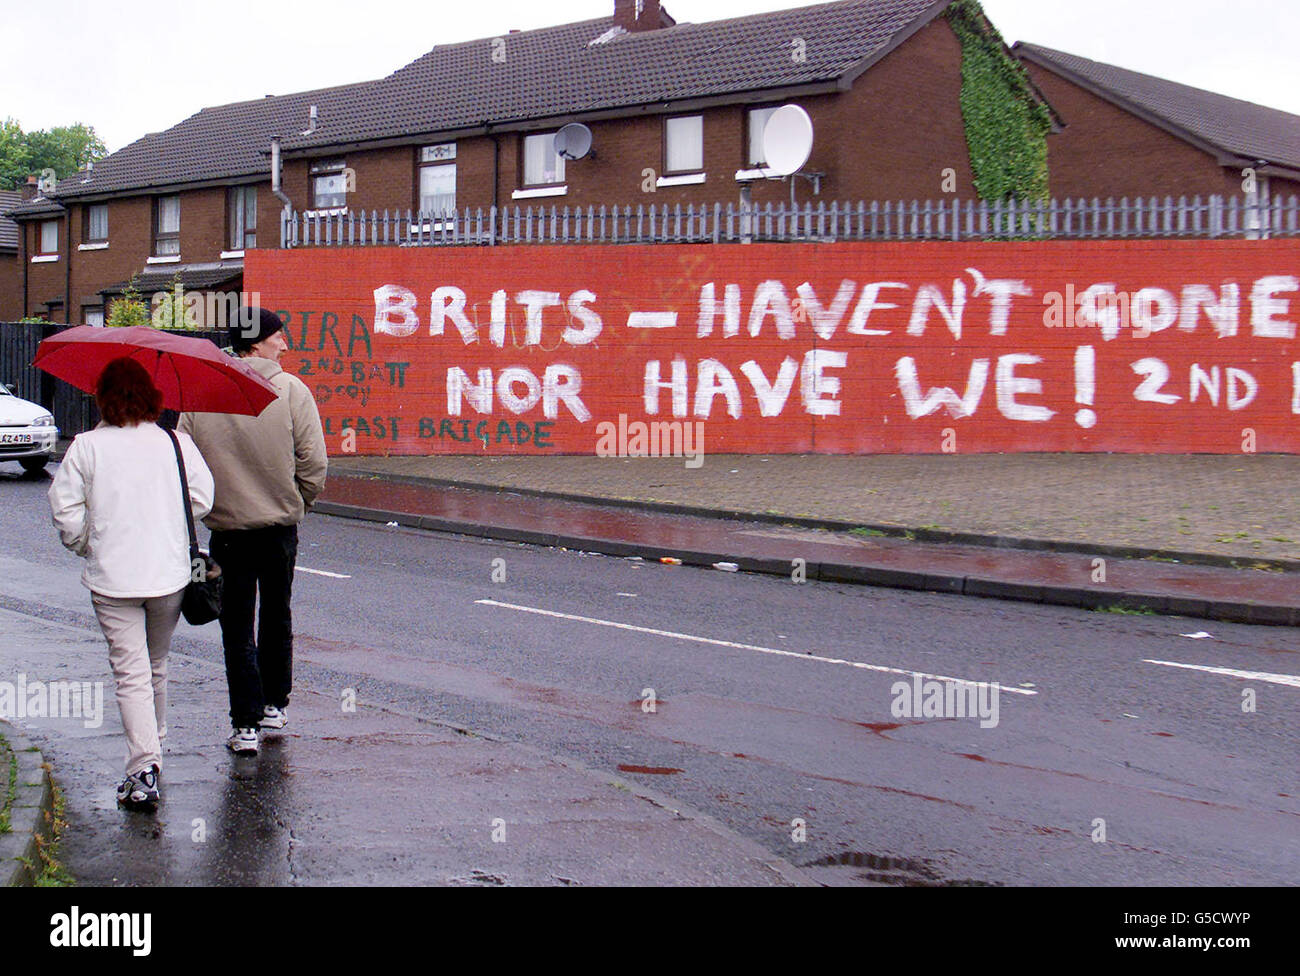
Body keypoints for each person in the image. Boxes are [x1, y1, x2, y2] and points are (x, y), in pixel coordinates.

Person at [49, 357, 214, 809]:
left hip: (113, 579)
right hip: (168, 577)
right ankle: (153, 753)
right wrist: (170, 525)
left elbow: (66, 512)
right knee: (155, 665)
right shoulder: (174, 443)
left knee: (130, 672)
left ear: (103, 397)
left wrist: (89, 541)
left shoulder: (85, 447)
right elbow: (201, 497)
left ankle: (143, 767)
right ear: (151, 397)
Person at [179, 308, 327, 756]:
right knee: (277, 616)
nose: (285, 344)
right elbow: (314, 463)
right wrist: (299, 502)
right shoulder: (290, 391)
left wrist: (208, 507)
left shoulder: (203, 393)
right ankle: (273, 706)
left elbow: (185, 463)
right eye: (279, 336)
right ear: (257, 343)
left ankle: (244, 726)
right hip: (279, 529)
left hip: (227, 532)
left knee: (236, 625)